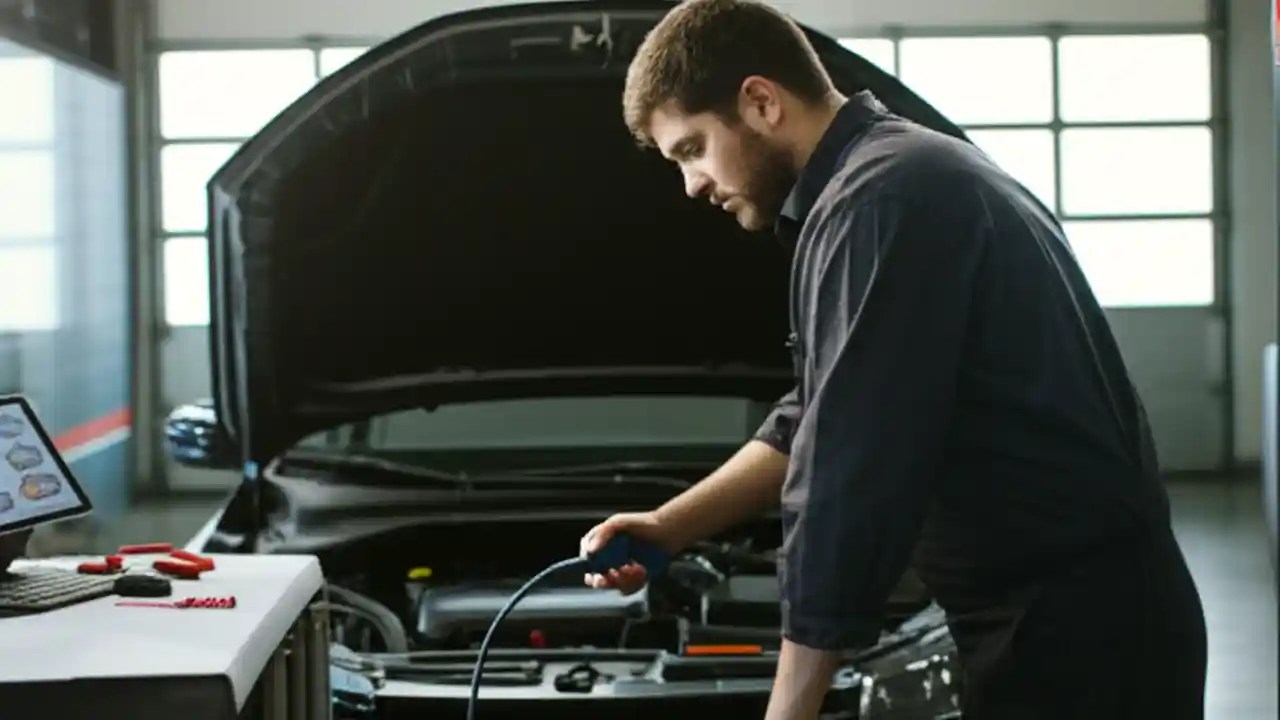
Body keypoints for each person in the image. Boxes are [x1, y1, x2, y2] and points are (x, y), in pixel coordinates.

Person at [579, 1, 1209, 718]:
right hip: (1076, 620)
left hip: (1076, 640)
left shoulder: (879, 202)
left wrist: (790, 708)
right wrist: (672, 523)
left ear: (760, 101)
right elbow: (817, 415)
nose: (691, 184)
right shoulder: (894, 174)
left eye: (692, 149)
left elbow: (846, 482)